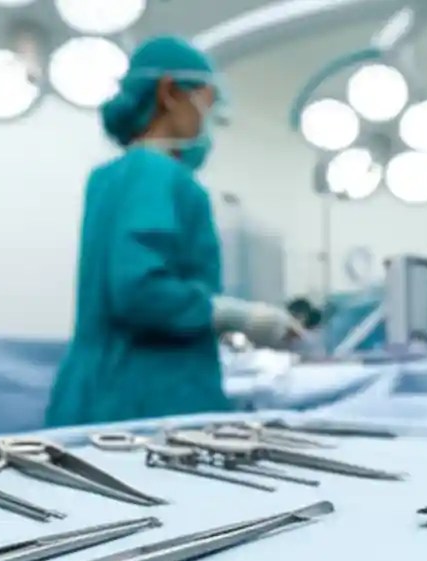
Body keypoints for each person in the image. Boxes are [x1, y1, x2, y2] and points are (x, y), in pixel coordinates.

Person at [45, 36, 301, 427]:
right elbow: (139, 291)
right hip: (147, 400)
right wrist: (238, 316)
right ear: (169, 92)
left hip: (97, 391)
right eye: (206, 105)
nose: (207, 123)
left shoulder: (108, 178)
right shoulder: (157, 173)